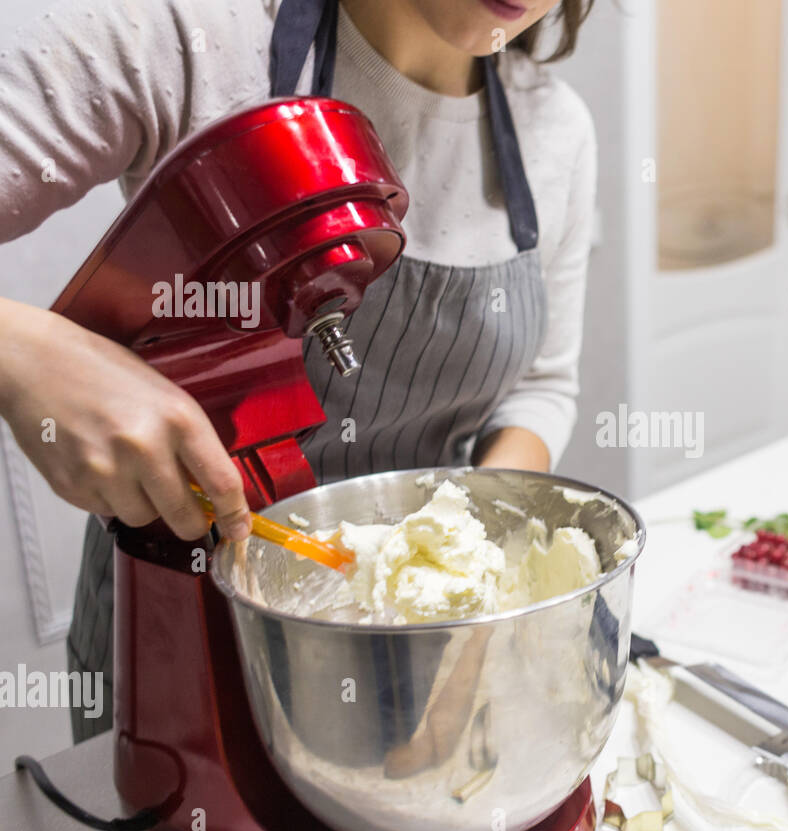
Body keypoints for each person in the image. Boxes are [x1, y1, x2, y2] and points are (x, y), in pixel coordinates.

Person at [0, 0, 597, 740]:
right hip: (183, 642)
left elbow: (542, 387)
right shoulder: (196, 35)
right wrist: (21, 349)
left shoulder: (556, 129)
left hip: (429, 643)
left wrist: (468, 582)